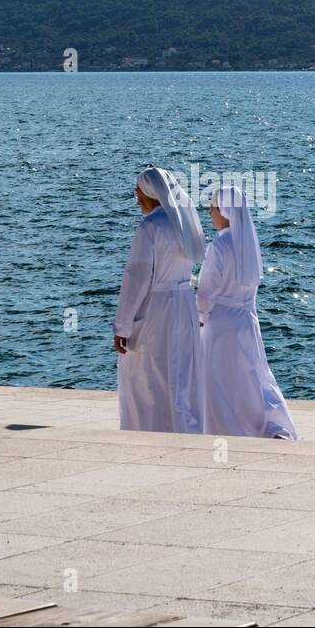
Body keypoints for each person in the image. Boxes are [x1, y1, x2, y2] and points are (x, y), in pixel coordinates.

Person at [196, 185, 298, 439]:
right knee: (253, 378)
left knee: (220, 382)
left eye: (214, 208)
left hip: (220, 324)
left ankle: (225, 428)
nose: (210, 213)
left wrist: (197, 317)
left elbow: (206, 295)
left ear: (226, 212)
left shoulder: (219, 246)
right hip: (246, 321)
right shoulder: (248, 244)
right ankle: (270, 425)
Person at [113, 167, 206, 433]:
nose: (136, 197)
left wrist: (122, 326)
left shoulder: (150, 226)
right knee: (180, 371)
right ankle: (184, 425)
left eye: (138, 191)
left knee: (147, 373)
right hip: (184, 306)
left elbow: (137, 277)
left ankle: (150, 427)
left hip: (157, 309)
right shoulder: (183, 224)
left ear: (150, 193)